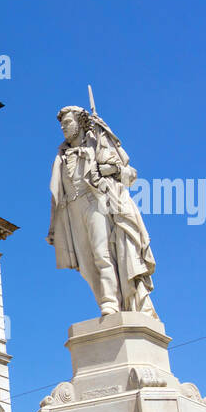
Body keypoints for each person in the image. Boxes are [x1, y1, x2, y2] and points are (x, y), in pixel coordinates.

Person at [48, 106, 157, 318]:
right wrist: (53, 227)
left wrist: (113, 169)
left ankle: (110, 303)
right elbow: (56, 196)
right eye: (61, 124)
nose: (63, 127)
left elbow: (130, 176)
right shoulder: (60, 157)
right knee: (86, 266)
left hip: (95, 203)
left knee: (102, 254)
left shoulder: (97, 145)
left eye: (68, 122)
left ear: (80, 124)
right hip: (71, 209)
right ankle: (104, 302)